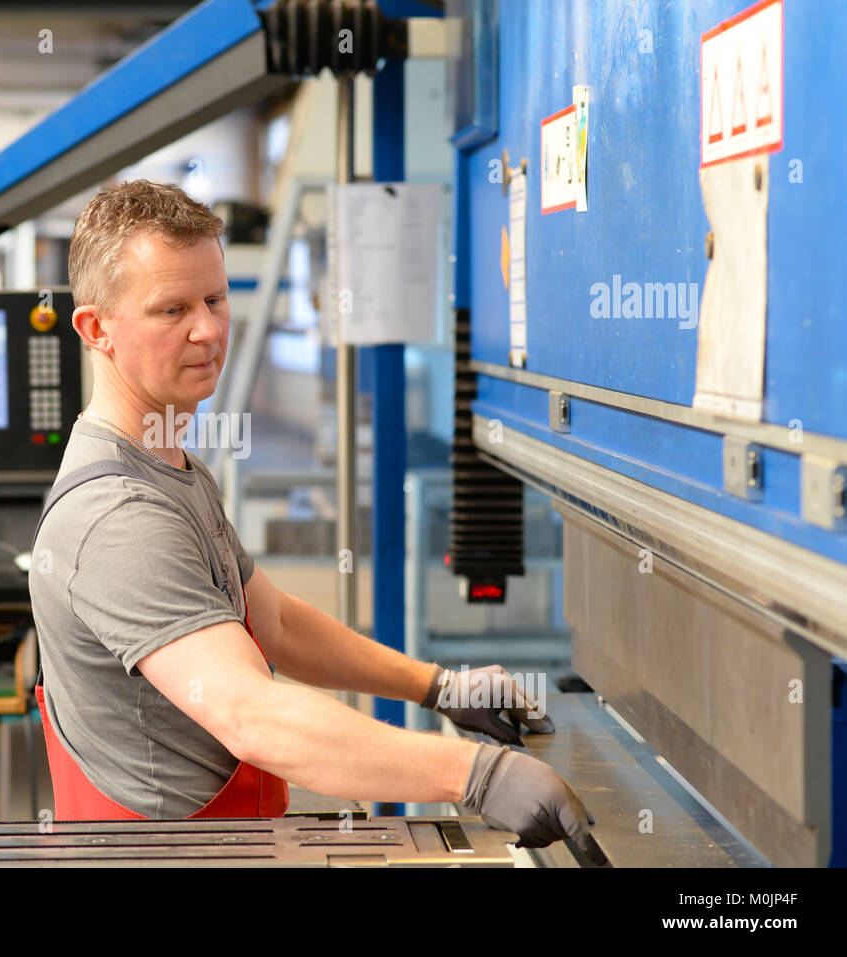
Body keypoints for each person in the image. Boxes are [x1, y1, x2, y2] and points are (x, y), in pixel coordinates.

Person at [29, 179, 603, 862]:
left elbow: (276, 623)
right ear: (96, 329)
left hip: (228, 843)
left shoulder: (171, 463)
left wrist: (437, 685)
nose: (208, 329)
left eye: (215, 299)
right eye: (171, 308)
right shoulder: (117, 516)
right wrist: (475, 775)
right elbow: (252, 713)